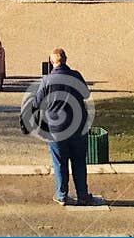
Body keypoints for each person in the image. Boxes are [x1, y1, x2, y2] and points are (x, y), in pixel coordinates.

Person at [23, 47, 102, 206]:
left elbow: (37, 103)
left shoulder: (46, 80)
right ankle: (82, 194)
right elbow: (86, 95)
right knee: (79, 161)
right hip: (77, 126)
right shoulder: (76, 76)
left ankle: (62, 194)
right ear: (65, 60)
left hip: (55, 128)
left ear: (52, 62)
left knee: (60, 162)